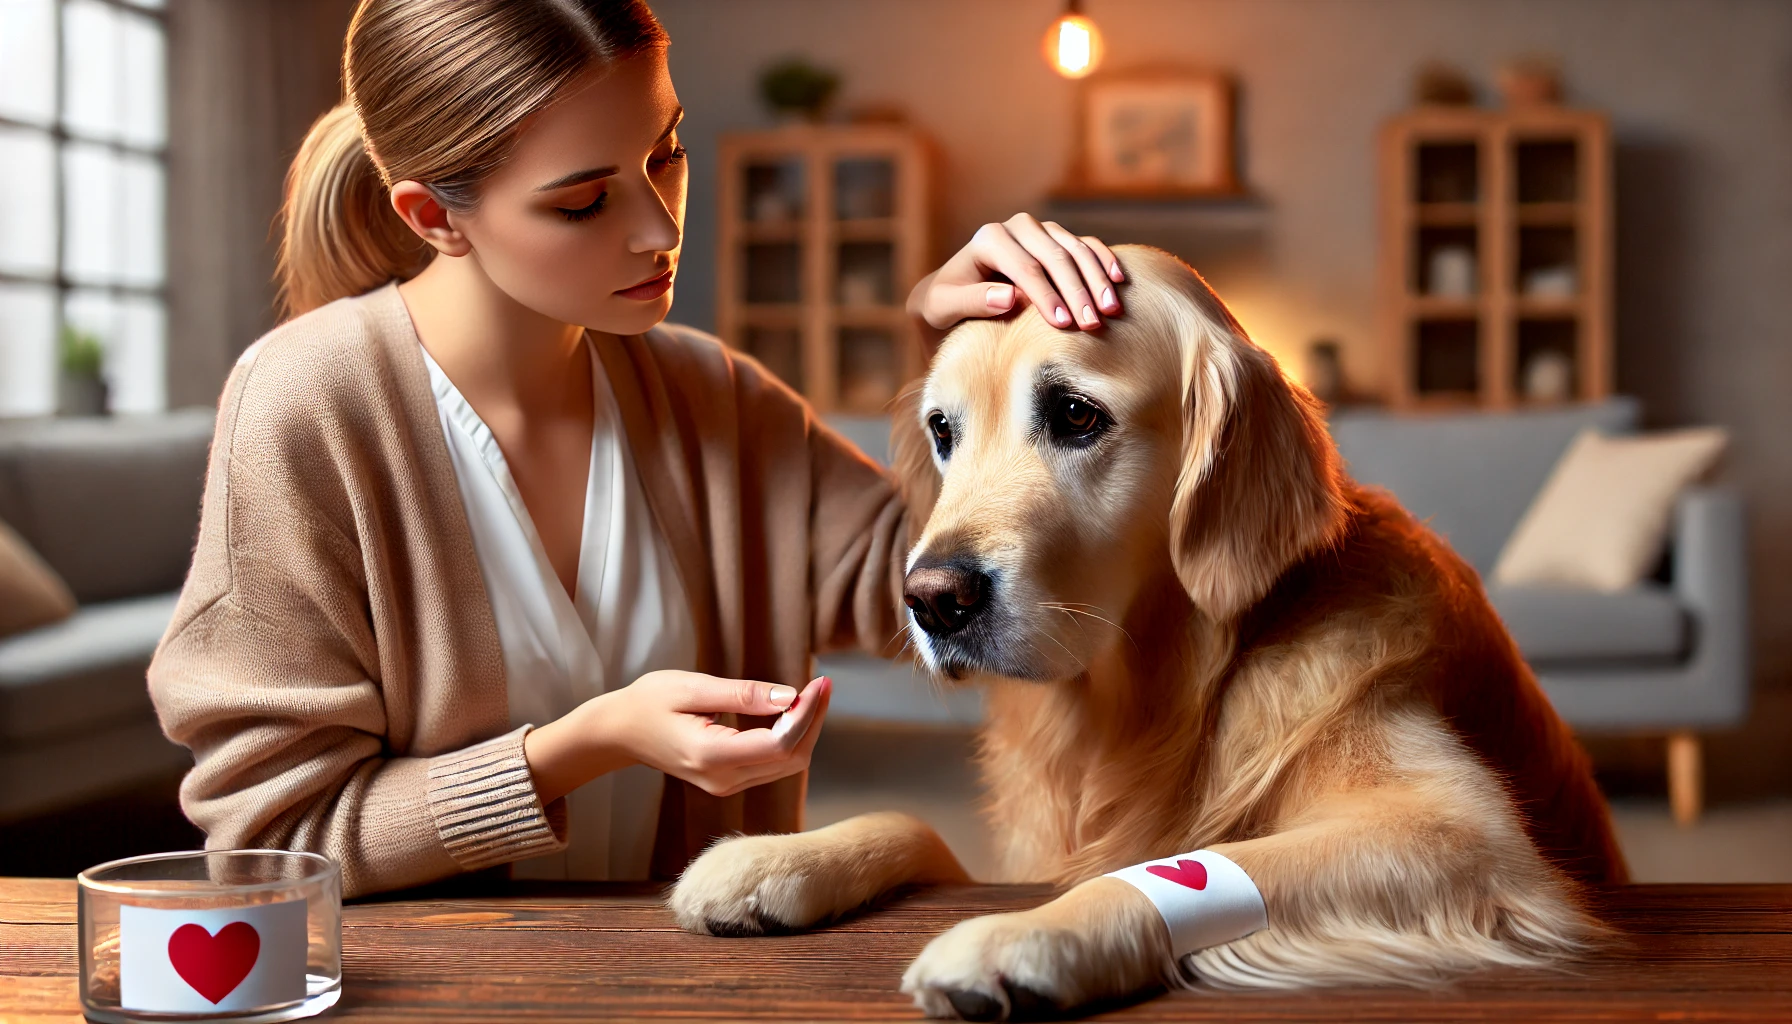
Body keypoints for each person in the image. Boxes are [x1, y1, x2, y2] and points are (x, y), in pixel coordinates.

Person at [147, 0, 1126, 899]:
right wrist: (587, 743)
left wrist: (961, 366)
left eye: (666, 154)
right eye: (583, 202)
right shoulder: (306, 405)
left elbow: (928, 589)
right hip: (423, 993)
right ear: (434, 216)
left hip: (688, 985)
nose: (658, 227)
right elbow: (275, 840)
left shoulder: (715, 395)